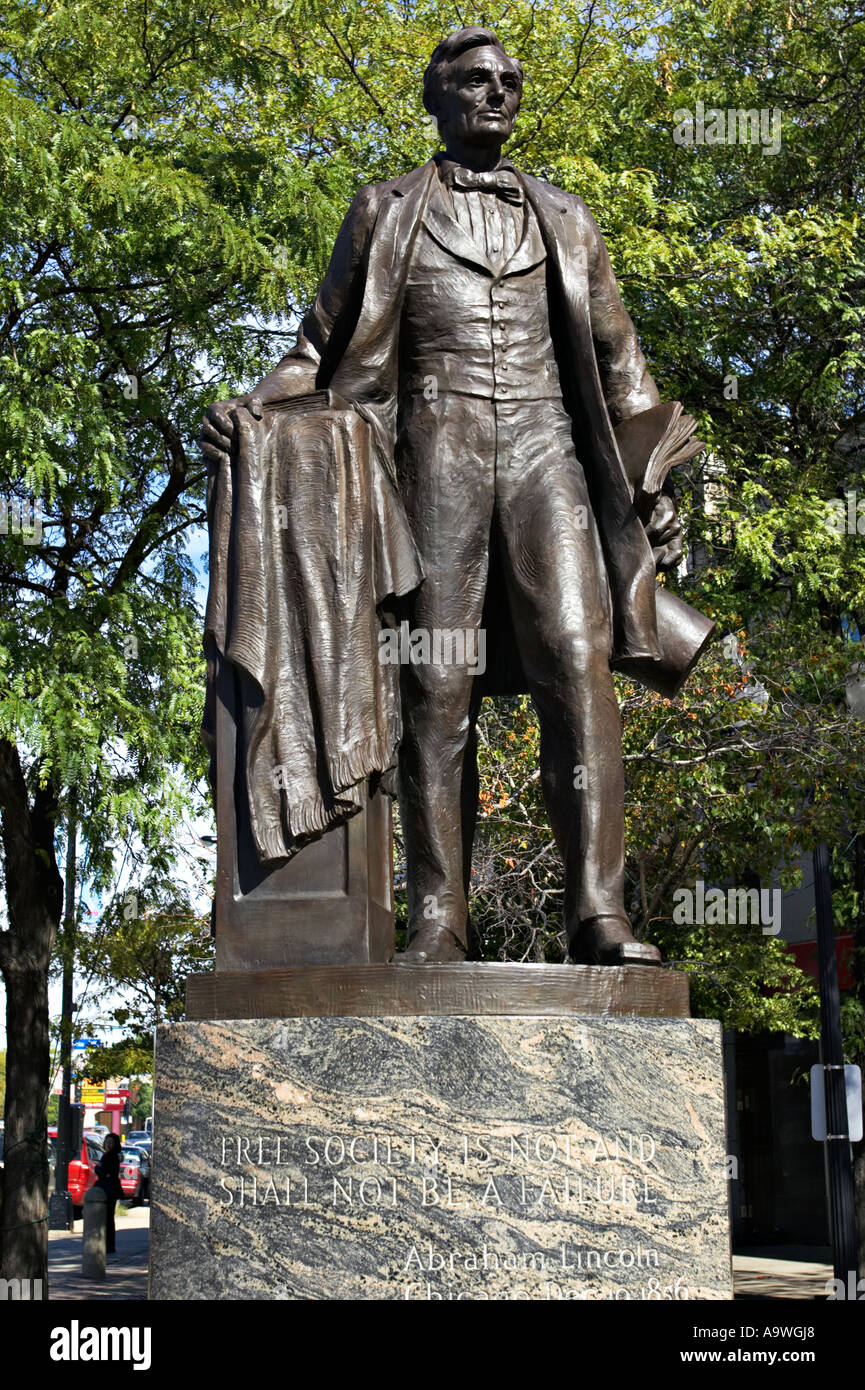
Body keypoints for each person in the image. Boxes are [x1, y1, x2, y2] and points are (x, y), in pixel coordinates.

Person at [201, 27, 693, 967]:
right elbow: (314, 353)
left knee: (577, 667)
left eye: (509, 80)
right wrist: (246, 406)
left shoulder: (567, 218)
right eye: (474, 80)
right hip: (435, 451)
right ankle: (439, 917)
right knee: (437, 680)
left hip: (550, 451)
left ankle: (598, 912)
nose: (497, 92)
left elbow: (624, 376)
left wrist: (657, 472)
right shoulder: (384, 210)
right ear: (435, 95)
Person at [95, 1132, 122, 1255]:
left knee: (107, 1218)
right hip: (109, 1189)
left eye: (111, 1142)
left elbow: (103, 1171)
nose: (108, 1144)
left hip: (109, 1190)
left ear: (115, 1144)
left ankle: (109, 1245)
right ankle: (109, 1244)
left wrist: (98, 1169)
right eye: (107, 1142)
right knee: (108, 1218)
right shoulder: (109, 1156)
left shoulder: (111, 1156)